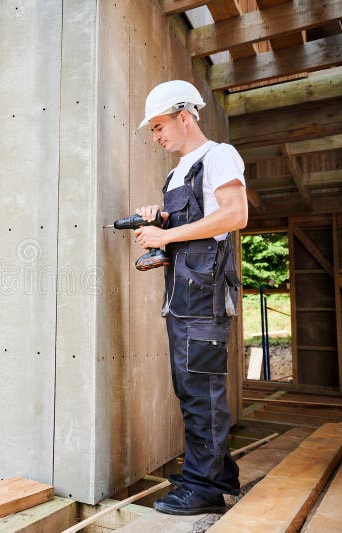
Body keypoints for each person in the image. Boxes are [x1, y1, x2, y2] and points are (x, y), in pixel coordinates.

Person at [133, 80, 248, 515]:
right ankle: (217, 473)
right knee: (190, 388)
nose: (157, 135)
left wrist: (168, 233)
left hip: (205, 298)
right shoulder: (176, 173)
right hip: (181, 296)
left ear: (184, 116)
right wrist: (157, 225)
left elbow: (235, 215)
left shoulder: (218, 156)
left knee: (203, 390)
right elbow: (190, 230)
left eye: (160, 125)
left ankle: (204, 489)